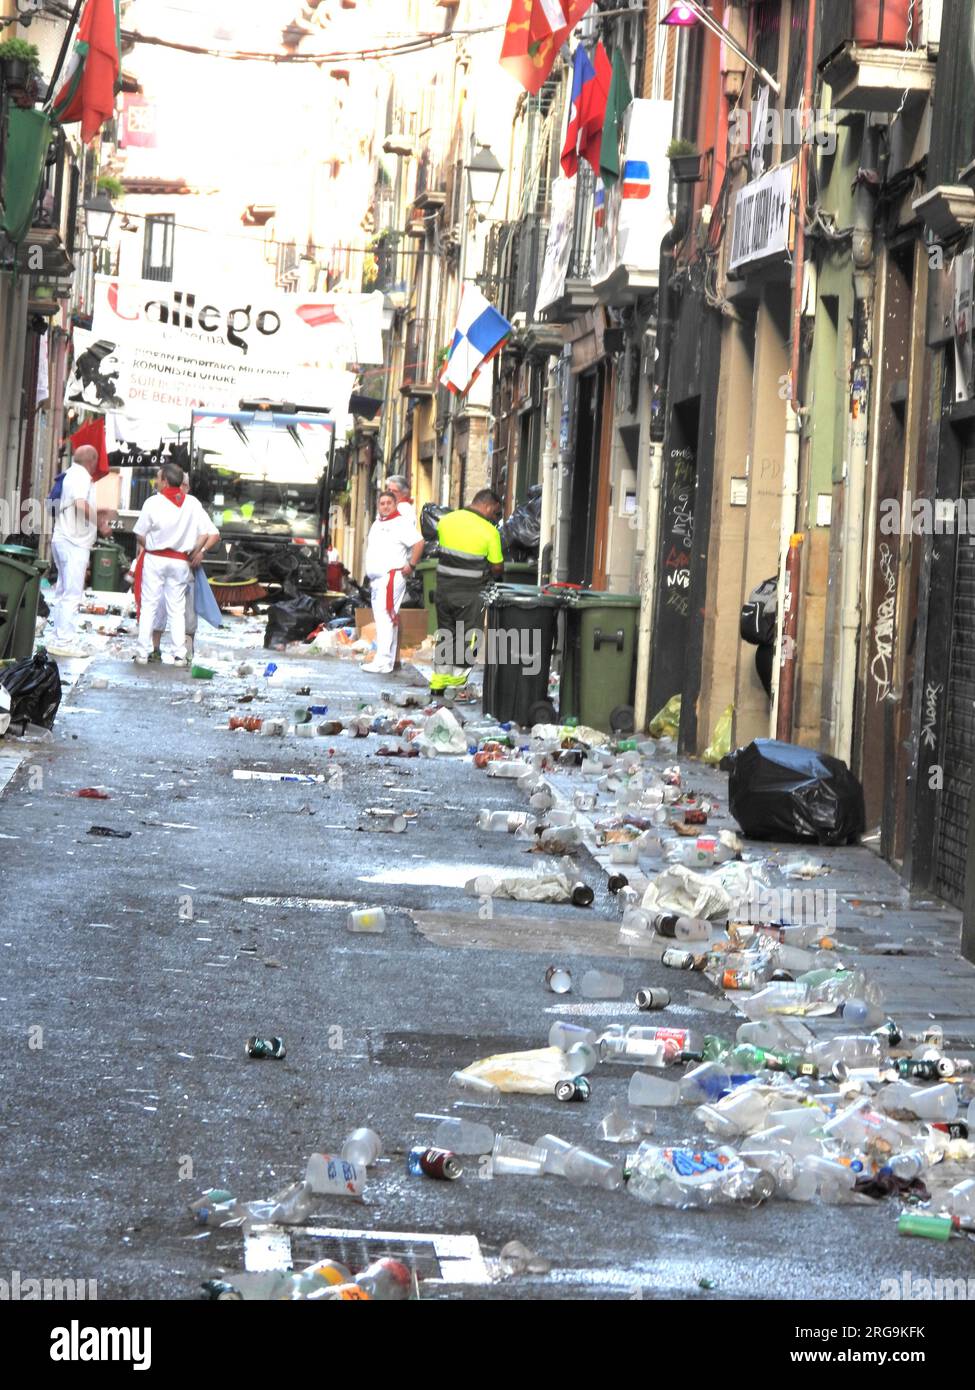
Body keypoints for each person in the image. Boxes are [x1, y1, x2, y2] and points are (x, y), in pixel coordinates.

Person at [132, 462, 220, 666]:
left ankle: (143, 652)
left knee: (149, 606)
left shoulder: (153, 503)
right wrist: (196, 551)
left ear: (165, 480)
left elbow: (139, 533)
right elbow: (207, 532)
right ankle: (179, 654)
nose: (156, 481)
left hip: (156, 558)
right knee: (177, 608)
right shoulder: (192, 503)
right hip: (181, 561)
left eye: (158, 477)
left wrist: (153, 546)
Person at [431, 488, 504, 697]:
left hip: (443, 589)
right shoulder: (490, 532)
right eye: (496, 513)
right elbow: (497, 566)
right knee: (469, 635)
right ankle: (456, 682)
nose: (495, 517)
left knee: (446, 632)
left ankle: (438, 681)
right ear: (489, 506)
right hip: (470, 592)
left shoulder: (446, 521)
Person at [48, 444, 112, 657]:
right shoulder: (81, 476)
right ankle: (64, 641)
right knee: (72, 593)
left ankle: (58, 637)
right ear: (92, 461)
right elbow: (80, 505)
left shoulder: (69, 474)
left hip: (63, 538)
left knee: (62, 591)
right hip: (73, 542)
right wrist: (101, 524)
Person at [362, 489, 424, 675]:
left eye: (389, 502)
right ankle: (387, 660)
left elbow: (419, 542)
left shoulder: (400, 523)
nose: (386, 506)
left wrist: (411, 565)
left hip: (390, 578)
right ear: (378, 506)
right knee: (386, 619)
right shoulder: (376, 524)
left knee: (385, 619)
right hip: (378, 579)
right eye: (382, 503)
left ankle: (383, 662)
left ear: (395, 504)